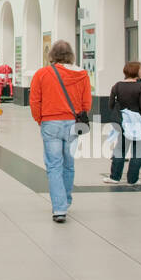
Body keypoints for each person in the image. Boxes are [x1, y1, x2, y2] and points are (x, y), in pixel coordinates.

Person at [29, 40, 93, 223]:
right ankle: (66, 199)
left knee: (54, 165)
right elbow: (87, 103)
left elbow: (35, 100)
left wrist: (39, 119)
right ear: (71, 54)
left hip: (50, 122)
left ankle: (59, 207)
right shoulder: (82, 74)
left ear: (52, 55)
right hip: (73, 122)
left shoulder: (42, 74)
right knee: (68, 163)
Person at [106, 62, 141, 185]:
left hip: (122, 122)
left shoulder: (117, 86)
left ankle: (114, 177)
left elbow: (110, 105)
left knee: (120, 149)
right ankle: (133, 179)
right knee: (137, 151)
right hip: (137, 122)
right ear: (136, 71)